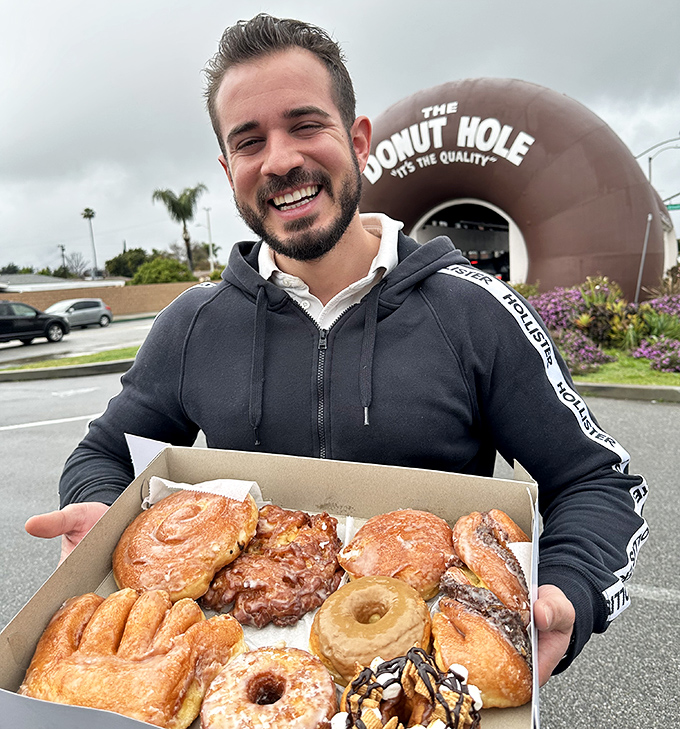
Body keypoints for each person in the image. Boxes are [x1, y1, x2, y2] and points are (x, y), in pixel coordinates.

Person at [26, 14, 648, 689]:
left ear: (357, 139)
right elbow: (102, 454)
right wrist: (103, 510)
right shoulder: (192, 325)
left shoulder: (473, 312)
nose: (281, 159)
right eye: (249, 140)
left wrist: (571, 589)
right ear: (228, 167)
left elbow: (597, 480)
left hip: (431, 682)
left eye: (305, 125)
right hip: (239, 685)